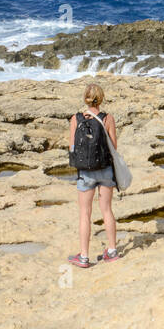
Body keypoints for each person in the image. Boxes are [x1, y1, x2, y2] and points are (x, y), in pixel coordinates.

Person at [67, 83, 119, 268]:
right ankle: (112, 251)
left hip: (86, 172)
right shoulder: (107, 118)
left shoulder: (76, 118)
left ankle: (84, 257)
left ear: (85, 98)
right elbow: (113, 146)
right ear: (102, 98)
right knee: (106, 210)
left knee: (85, 214)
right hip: (105, 170)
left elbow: (72, 147)